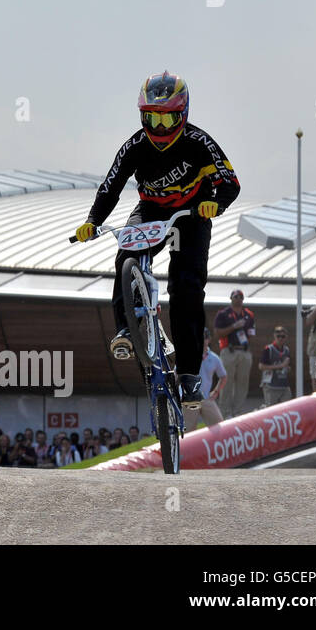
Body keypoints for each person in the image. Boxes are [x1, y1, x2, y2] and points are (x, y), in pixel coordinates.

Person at [72, 71, 240, 410]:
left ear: (183, 114)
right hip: (150, 210)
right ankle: (124, 330)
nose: (160, 128)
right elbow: (110, 187)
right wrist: (92, 221)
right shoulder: (134, 146)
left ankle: (190, 376)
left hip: (191, 215)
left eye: (168, 119)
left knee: (186, 288)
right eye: (152, 118)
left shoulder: (199, 142)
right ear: (142, 115)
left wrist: (215, 204)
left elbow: (231, 183)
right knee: (125, 255)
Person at [212, 289, 257, 417]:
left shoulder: (248, 314)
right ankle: (225, 413)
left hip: (244, 351)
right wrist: (234, 327)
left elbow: (252, 333)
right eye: (236, 296)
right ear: (231, 298)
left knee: (243, 383)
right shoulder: (223, 314)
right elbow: (217, 333)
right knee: (226, 382)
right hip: (229, 351)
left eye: (241, 297)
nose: (238, 299)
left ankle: (238, 412)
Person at [193, 328, 226, 427]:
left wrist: (216, 392)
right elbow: (177, 375)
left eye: (205, 338)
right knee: (187, 433)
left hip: (206, 398)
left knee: (219, 426)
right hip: (189, 400)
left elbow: (223, 376)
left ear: (209, 339)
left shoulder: (214, 358)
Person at [259, 328, 293, 407]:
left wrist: (287, 368)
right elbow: (261, 366)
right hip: (271, 385)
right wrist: (280, 366)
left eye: (283, 336)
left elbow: (287, 366)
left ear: (286, 337)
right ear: (274, 336)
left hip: (283, 385)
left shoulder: (286, 350)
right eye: (278, 336)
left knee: (287, 408)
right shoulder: (268, 349)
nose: (280, 338)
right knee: (271, 409)